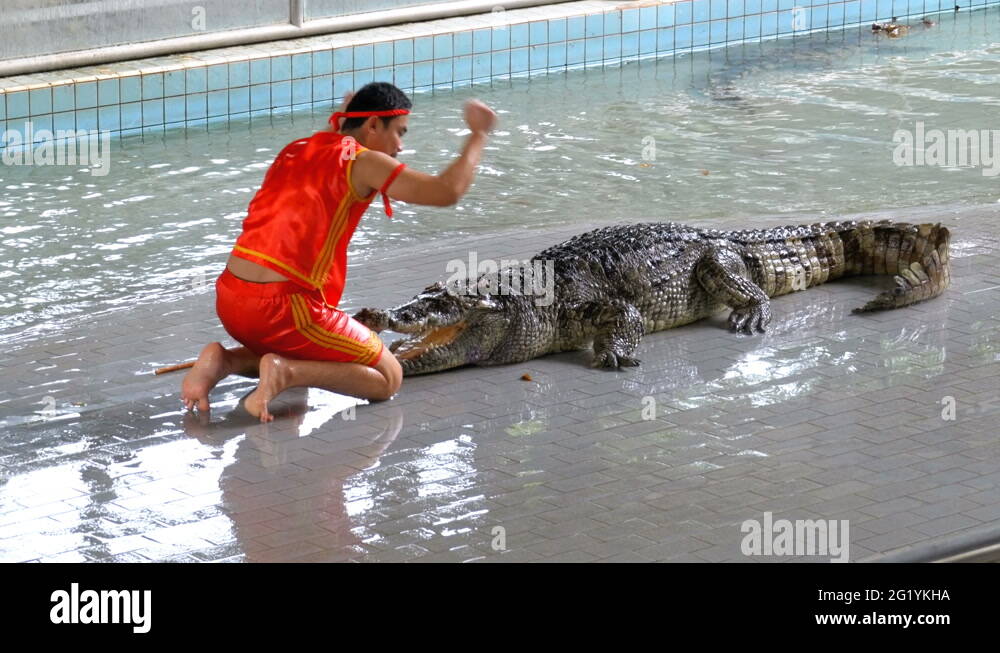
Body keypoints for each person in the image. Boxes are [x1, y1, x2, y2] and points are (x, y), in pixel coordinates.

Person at [180, 82, 498, 422]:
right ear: (373, 124)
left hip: (230, 298)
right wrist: (478, 135)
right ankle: (285, 372)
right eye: (399, 133)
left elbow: (331, 148)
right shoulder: (364, 162)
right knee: (388, 379)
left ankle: (223, 360)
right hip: (283, 310)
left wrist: (347, 118)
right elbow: (445, 191)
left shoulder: (298, 147)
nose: (400, 146)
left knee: (302, 343)